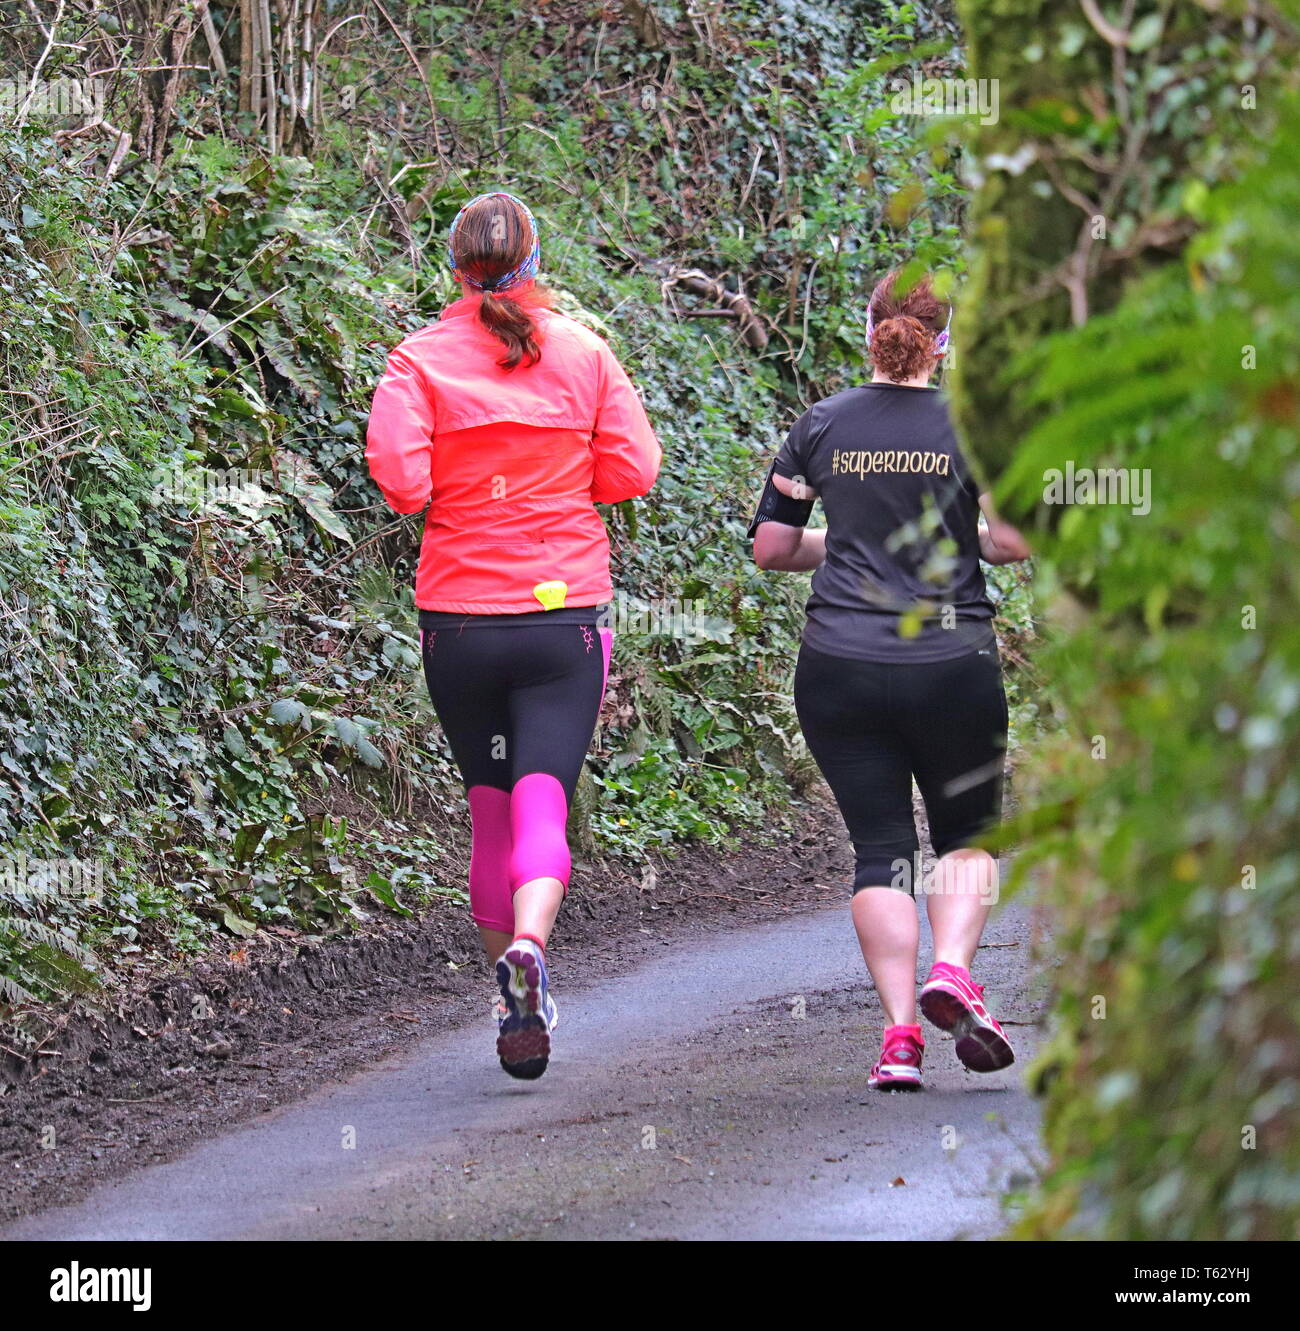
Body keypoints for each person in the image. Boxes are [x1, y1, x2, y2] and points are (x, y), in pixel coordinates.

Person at [365, 191, 661, 1079]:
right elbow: (631, 471)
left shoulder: (417, 361)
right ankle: (530, 945)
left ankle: (508, 1003)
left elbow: (402, 482)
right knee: (542, 796)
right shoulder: (586, 352)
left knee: (488, 808)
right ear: (538, 262)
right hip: (561, 616)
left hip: (458, 620)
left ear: (455, 268)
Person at [750, 270, 1031, 1091]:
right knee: (967, 838)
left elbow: (771, 547)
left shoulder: (821, 423)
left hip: (839, 666)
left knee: (880, 850)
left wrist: (842, 547)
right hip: (950, 666)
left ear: (866, 328)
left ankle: (900, 1036)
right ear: (943, 342)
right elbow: (1011, 541)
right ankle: (951, 969)